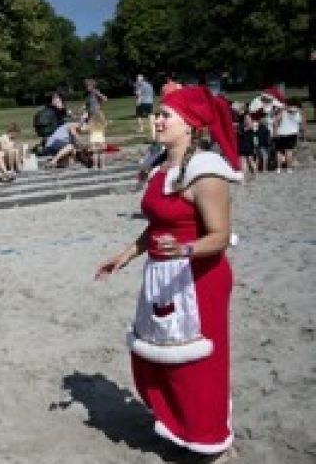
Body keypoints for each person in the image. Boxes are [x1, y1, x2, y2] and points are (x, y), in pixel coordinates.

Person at [95, 85, 241, 462]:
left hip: (198, 278)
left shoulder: (206, 172)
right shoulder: (162, 167)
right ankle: (180, 427)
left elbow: (220, 235)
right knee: (157, 355)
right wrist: (127, 254)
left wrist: (186, 249)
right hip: (162, 275)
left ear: (191, 124)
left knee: (199, 364)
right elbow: (158, 225)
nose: (156, 120)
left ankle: (214, 445)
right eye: (157, 114)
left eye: (165, 115)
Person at [273, 98, 305, 173]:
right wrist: (303, 134)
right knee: (289, 151)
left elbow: (276, 121)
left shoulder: (283, 111)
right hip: (292, 133)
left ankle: (278, 168)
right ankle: (289, 168)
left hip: (281, 133)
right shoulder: (299, 112)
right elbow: (302, 124)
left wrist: (275, 131)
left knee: (279, 152)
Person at [134, 74, 156, 139]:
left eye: (137, 80)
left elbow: (138, 94)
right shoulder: (149, 85)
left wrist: (136, 93)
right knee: (151, 115)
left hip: (142, 102)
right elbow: (152, 93)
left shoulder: (140, 85)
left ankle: (141, 128)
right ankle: (153, 127)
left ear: (140, 80)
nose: (137, 81)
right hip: (150, 102)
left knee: (138, 115)